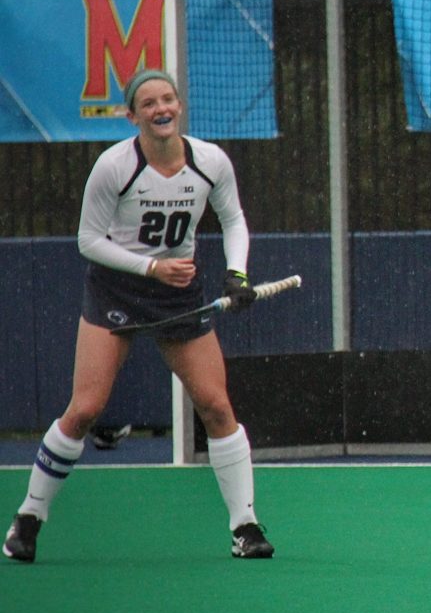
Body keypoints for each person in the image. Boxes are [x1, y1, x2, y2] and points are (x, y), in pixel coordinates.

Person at [4, 69, 272, 564]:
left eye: (167, 99)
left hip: (178, 296)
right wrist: (152, 266)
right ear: (133, 116)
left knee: (215, 405)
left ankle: (245, 527)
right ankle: (29, 517)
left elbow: (233, 219)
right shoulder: (114, 167)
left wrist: (236, 273)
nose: (161, 108)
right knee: (85, 409)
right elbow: (89, 241)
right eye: (148, 103)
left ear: (179, 106)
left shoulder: (210, 161)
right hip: (119, 291)